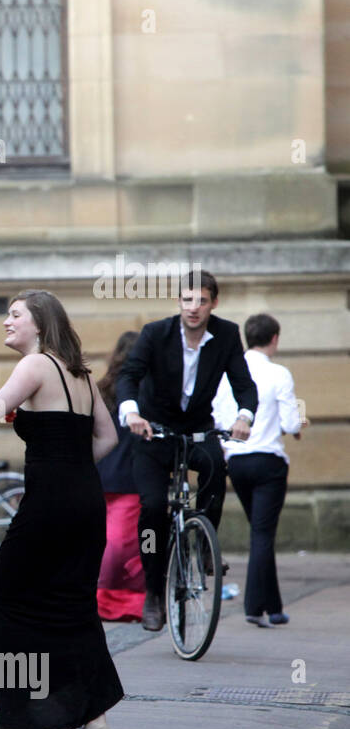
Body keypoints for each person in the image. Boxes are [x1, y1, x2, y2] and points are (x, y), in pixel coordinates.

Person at [0, 291, 124, 729]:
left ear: (39, 324)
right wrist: (71, 469)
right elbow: (107, 437)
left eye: (14, 315)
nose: (6, 323)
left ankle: (14, 711)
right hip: (86, 500)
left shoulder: (35, 365)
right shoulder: (79, 373)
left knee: (5, 598)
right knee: (73, 604)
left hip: (49, 503)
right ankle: (95, 720)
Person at [117, 270, 257, 631]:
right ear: (178, 301)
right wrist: (131, 412)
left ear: (213, 303)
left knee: (214, 468)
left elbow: (243, 383)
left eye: (202, 300)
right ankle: (152, 590)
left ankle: (204, 538)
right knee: (151, 508)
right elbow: (129, 375)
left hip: (196, 427)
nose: (194, 308)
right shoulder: (154, 334)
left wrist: (244, 415)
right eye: (188, 299)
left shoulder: (225, 334)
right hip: (153, 431)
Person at [212, 313, 305, 628]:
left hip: (236, 462)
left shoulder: (228, 375)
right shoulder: (279, 373)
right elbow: (292, 421)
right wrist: (298, 425)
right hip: (268, 463)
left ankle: (274, 606)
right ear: (275, 338)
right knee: (263, 534)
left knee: (260, 533)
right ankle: (254, 607)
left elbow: (216, 416)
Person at [95, 331, 146, 621]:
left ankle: (107, 598)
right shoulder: (143, 390)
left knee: (110, 541)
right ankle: (118, 601)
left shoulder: (102, 389)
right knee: (123, 543)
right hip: (130, 476)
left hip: (104, 473)